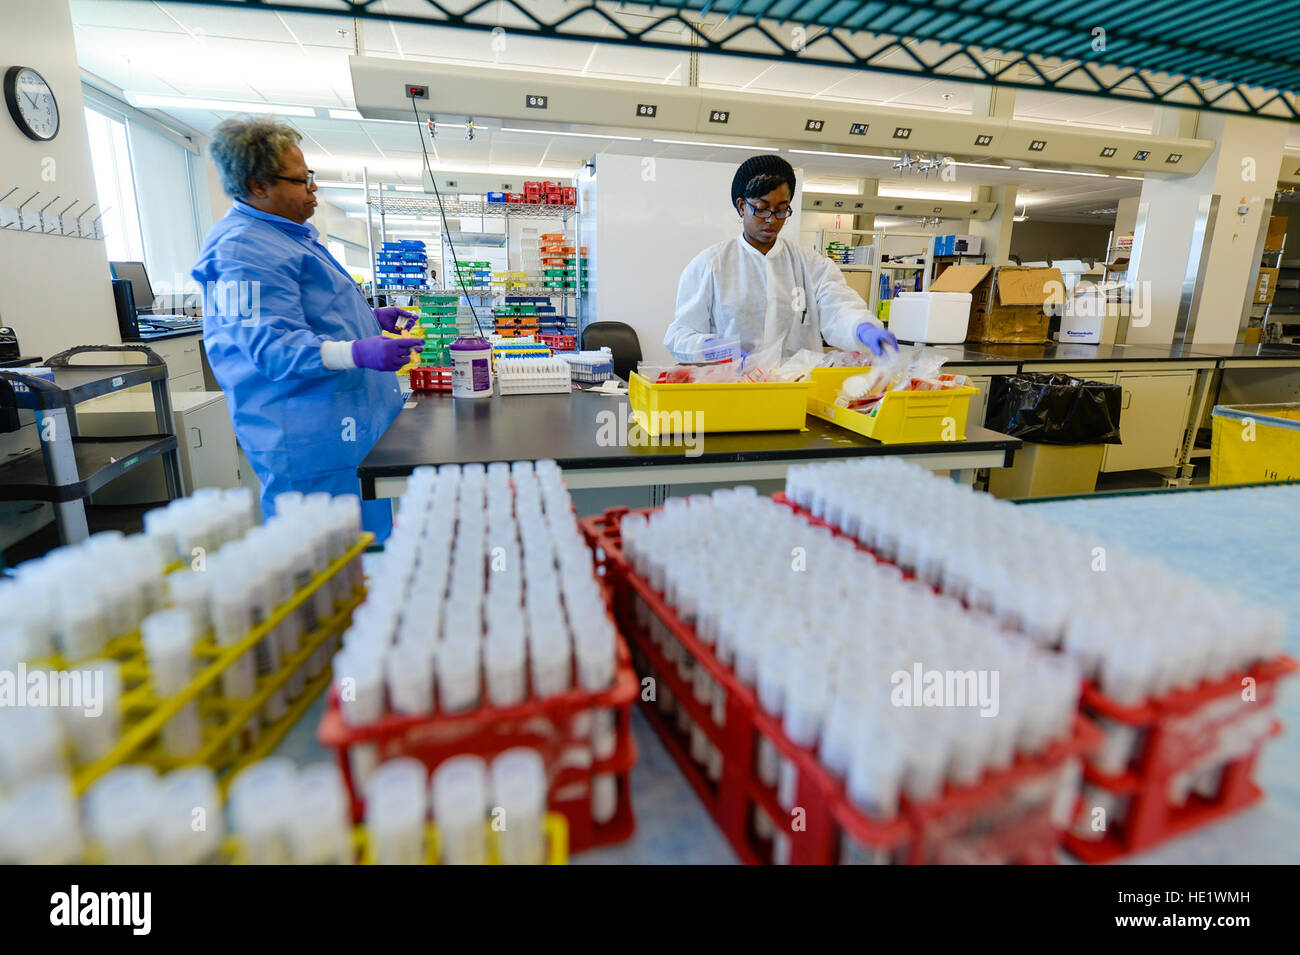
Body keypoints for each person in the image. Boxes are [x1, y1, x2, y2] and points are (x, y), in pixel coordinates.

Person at [192, 116, 421, 540]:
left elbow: (312, 312)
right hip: (309, 437)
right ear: (259, 185)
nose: (313, 188)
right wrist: (359, 351)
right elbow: (272, 346)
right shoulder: (241, 249)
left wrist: (371, 319)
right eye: (301, 180)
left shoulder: (286, 236)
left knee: (368, 552)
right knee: (323, 560)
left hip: (347, 427)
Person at [665, 154, 897, 363]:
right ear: (741, 206)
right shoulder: (710, 265)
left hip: (796, 390)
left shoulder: (811, 265)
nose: (772, 219)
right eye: (761, 208)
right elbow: (680, 335)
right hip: (732, 390)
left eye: (781, 209)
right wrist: (715, 348)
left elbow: (839, 308)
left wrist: (862, 328)